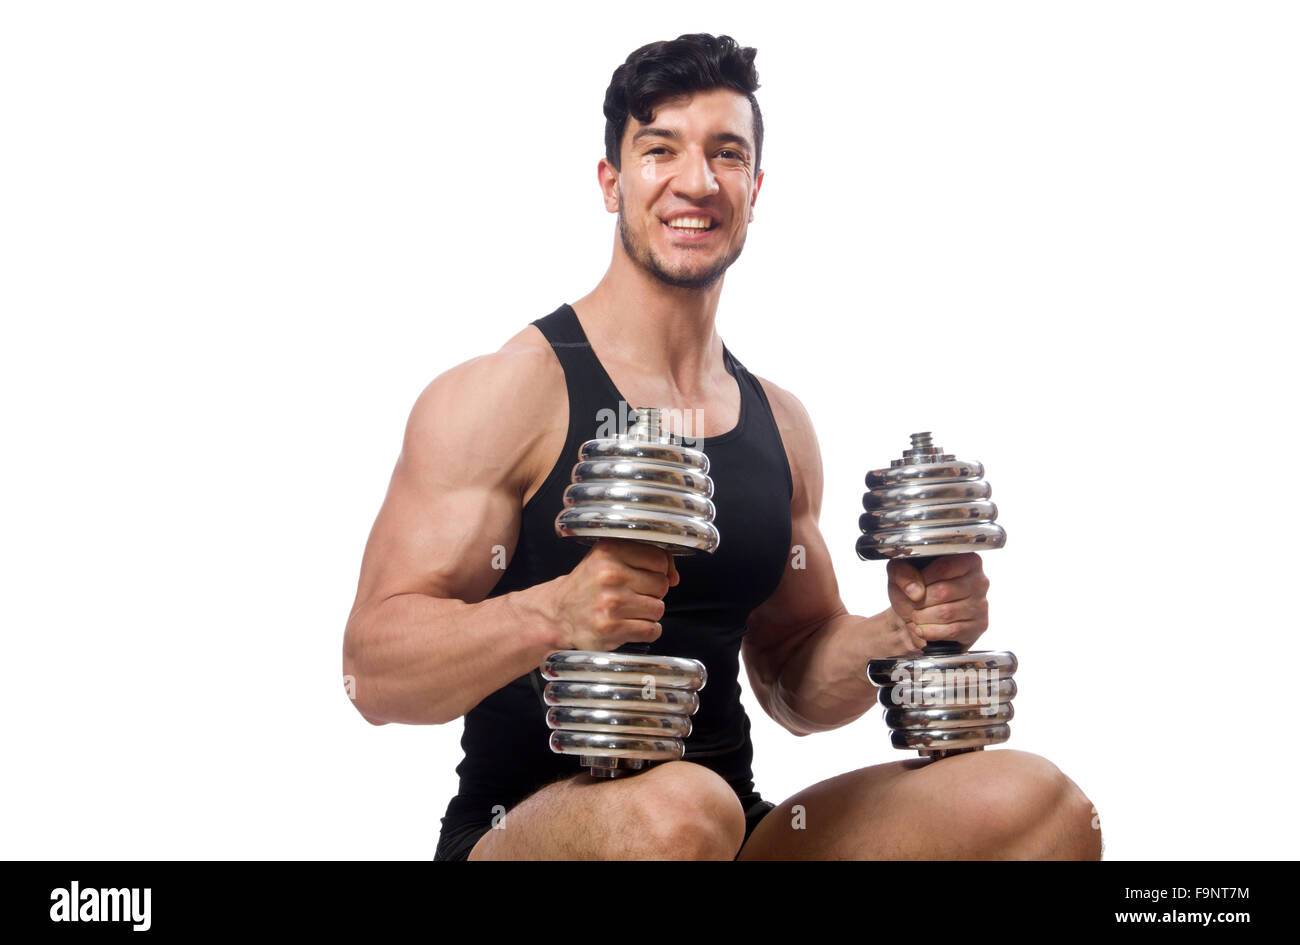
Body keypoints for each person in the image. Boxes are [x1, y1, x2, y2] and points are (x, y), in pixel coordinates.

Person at [342, 33, 1102, 861]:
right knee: (678, 812)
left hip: (727, 829)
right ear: (612, 182)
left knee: (1042, 806)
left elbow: (792, 677)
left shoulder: (778, 420)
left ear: (755, 187)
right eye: (660, 149)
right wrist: (549, 612)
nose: (696, 182)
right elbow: (373, 671)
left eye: (726, 154)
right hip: (527, 831)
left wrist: (899, 629)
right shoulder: (508, 390)